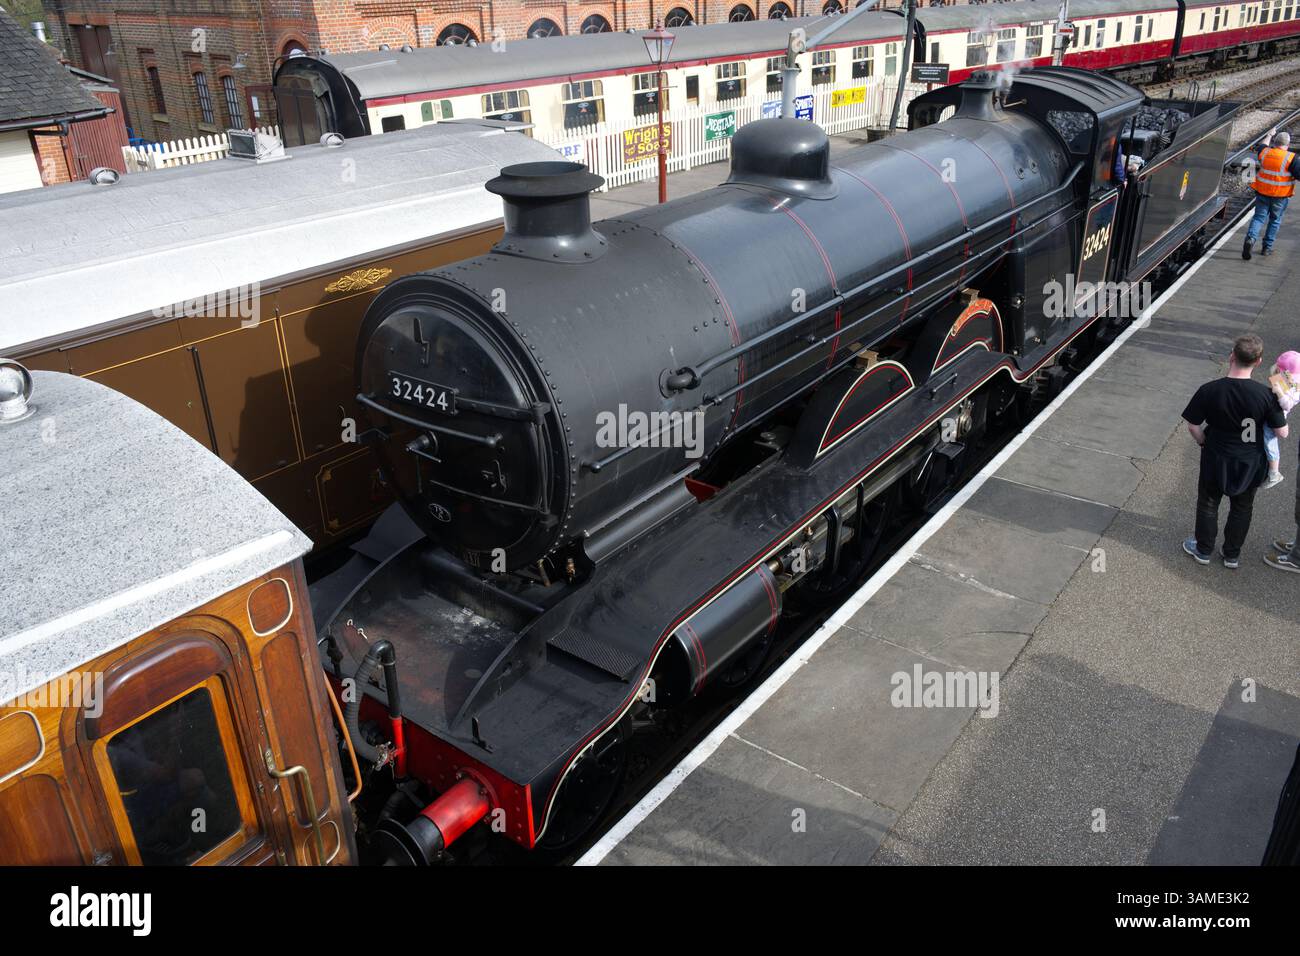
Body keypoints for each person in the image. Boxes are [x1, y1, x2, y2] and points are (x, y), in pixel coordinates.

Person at [1182, 334, 1288, 568]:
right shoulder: (1265, 395)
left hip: (1216, 457)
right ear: (1258, 361)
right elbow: (1282, 432)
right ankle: (1231, 554)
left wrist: (1203, 442)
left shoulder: (1209, 390)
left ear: (1232, 356)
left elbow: (1192, 425)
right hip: (1250, 461)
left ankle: (1203, 550)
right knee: (1242, 507)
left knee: (1209, 503)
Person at [1244, 130, 1300, 260]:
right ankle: (1266, 248)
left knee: (1258, 218)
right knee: (1275, 220)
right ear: (1288, 144)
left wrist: (1269, 134)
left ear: (1275, 142)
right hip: (1280, 196)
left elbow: (1263, 145)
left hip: (1262, 192)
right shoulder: (1292, 158)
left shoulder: (1265, 153)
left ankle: (1250, 239)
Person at [1263, 350, 1300, 488]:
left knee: (1269, 439)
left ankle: (1274, 472)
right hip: (1271, 410)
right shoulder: (1282, 376)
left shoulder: (1297, 387)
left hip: (1278, 415)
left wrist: (1279, 393)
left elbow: (1287, 405)